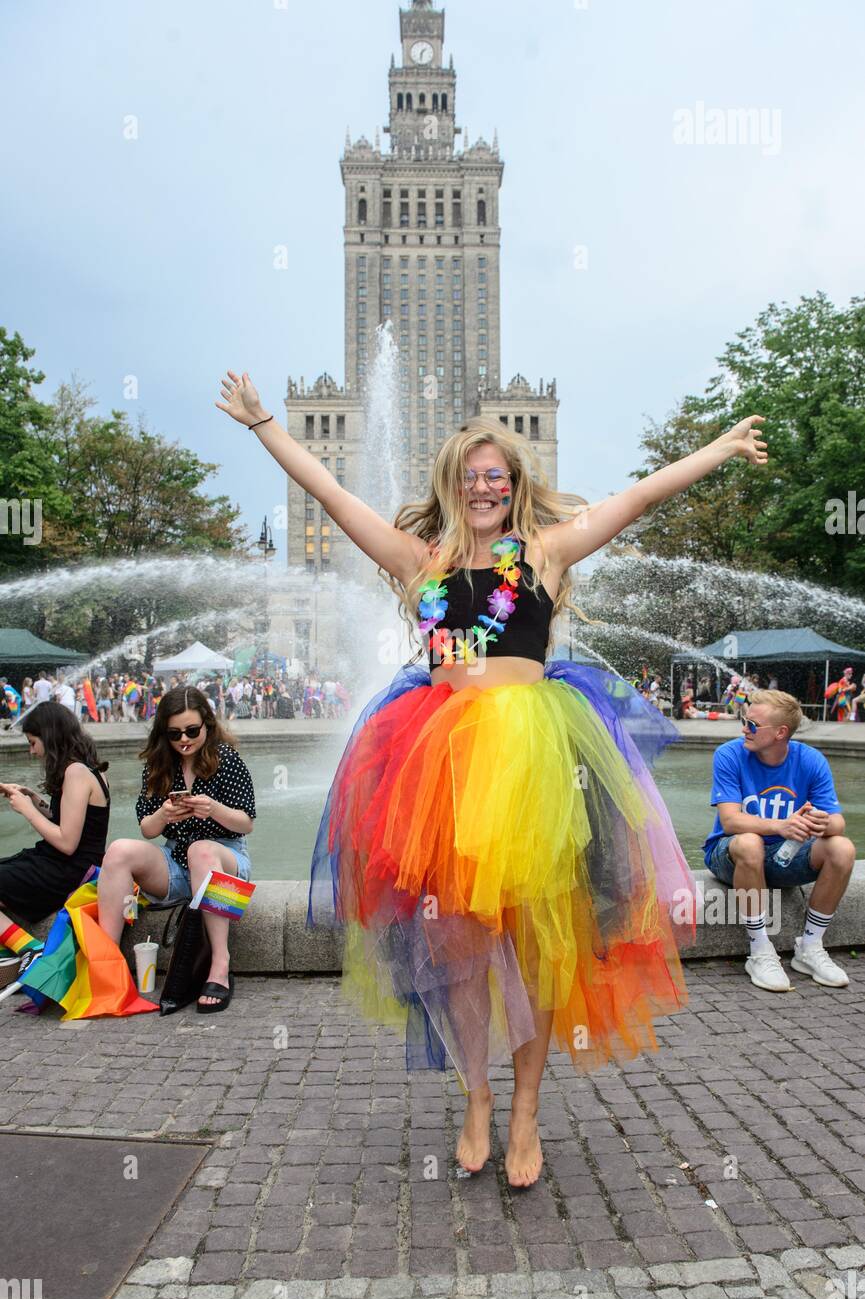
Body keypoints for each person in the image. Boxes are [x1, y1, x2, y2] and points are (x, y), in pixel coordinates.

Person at [217, 366, 768, 1187]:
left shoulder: (542, 554)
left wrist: (718, 449)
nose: (484, 487)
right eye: (471, 476)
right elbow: (333, 496)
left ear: (512, 487)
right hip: (435, 765)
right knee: (460, 950)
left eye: (496, 476)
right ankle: (476, 1096)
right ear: (452, 485)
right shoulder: (419, 561)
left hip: (537, 761)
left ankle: (523, 1111)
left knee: (540, 948)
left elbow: (638, 498)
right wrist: (264, 425)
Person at [97, 686, 256, 1012]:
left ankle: (220, 966)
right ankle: (105, 965)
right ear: (163, 733)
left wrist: (213, 809)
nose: (184, 739)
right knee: (117, 851)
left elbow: (246, 822)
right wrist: (164, 814)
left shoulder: (226, 760)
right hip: (175, 859)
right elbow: (147, 828)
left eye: (192, 730)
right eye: (174, 733)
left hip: (225, 861)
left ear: (207, 726)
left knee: (201, 850)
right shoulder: (159, 765)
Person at [703, 689, 855, 991]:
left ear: (781, 733)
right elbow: (731, 821)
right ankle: (760, 950)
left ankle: (810, 948)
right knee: (749, 842)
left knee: (842, 847)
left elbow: (838, 821)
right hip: (730, 855)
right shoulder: (730, 754)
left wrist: (821, 823)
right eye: (744, 721)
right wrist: (781, 825)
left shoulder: (811, 760)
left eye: (753, 724)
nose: (745, 728)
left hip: (786, 855)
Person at [0, 703, 111, 934]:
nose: (32, 751)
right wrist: (31, 797)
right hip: (70, 866)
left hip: (69, 872)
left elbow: (67, 843)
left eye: (33, 743)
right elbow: (64, 818)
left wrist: (27, 810)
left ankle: (27, 948)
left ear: (50, 737)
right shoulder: (90, 769)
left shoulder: (75, 772)